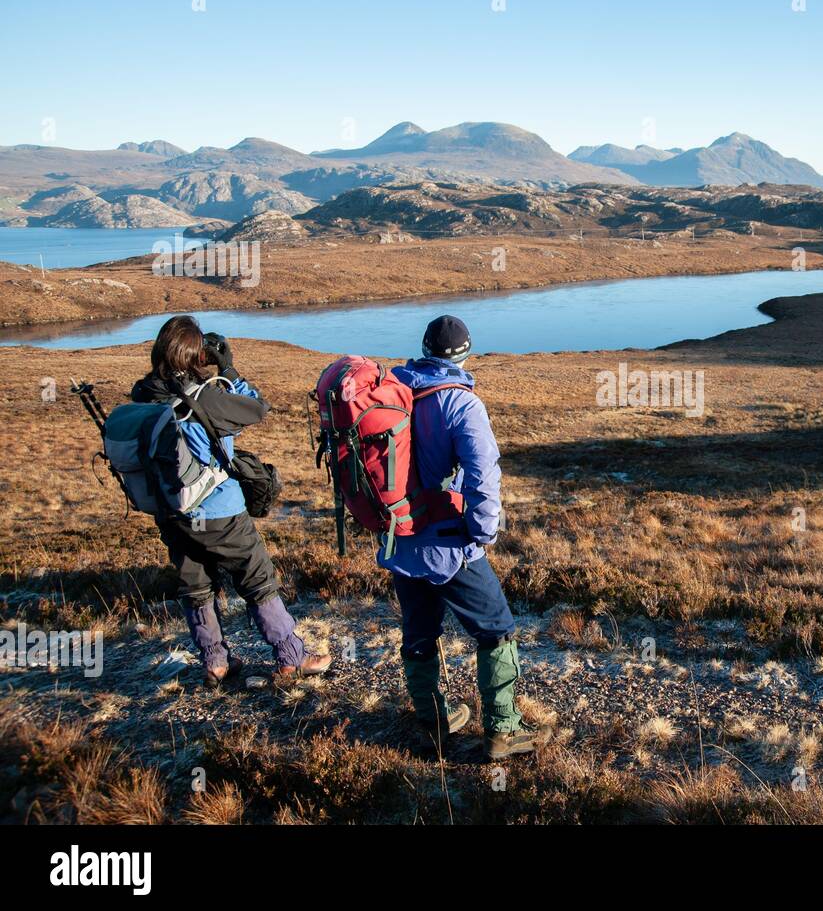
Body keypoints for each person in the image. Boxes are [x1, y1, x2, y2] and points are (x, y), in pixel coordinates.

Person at [379, 315, 552, 759]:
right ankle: (502, 730)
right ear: (464, 355)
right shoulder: (462, 404)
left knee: (419, 630)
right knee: (497, 629)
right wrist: (483, 532)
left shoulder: (394, 391)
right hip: (449, 545)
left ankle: (432, 720)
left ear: (423, 349)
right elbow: (483, 475)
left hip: (400, 540)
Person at [132, 316, 331, 686]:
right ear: (194, 355)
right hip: (220, 510)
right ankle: (291, 656)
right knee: (258, 580)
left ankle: (215, 663)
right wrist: (228, 367)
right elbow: (255, 408)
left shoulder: (144, 393)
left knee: (196, 585)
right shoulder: (206, 396)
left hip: (170, 511)